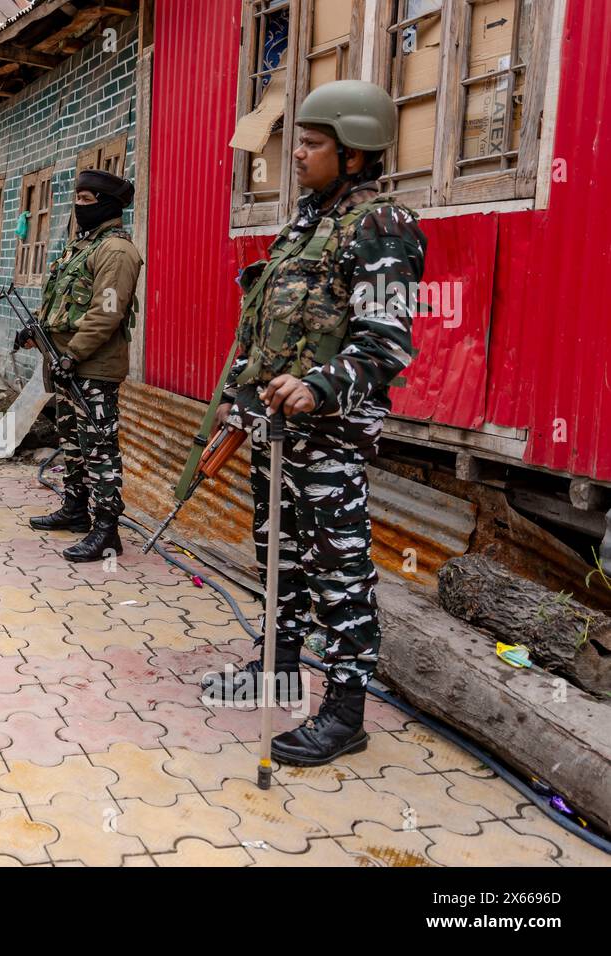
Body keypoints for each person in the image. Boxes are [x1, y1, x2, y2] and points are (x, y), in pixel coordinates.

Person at [202, 80, 427, 767]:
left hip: (328, 435)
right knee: (280, 560)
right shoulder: (307, 219)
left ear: (353, 155)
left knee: (339, 573)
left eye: (311, 143)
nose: (294, 153)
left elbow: (385, 342)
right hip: (278, 429)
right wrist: (246, 396)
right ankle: (275, 669)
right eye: (295, 140)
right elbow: (275, 323)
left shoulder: (383, 226)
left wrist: (322, 385)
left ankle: (345, 713)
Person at [26, 170, 142, 563]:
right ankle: (76, 509)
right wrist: (37, 332)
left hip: (92, 367)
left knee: (100, 449)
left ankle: (107, 532)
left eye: (88, 201)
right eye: (78, 199)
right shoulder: (83, 246)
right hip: (68, 365)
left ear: (109, 205)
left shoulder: (116, 251)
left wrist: (72, 354)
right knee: (73, 443)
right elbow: (63, 302)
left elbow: (106, 314)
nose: (79, 207)